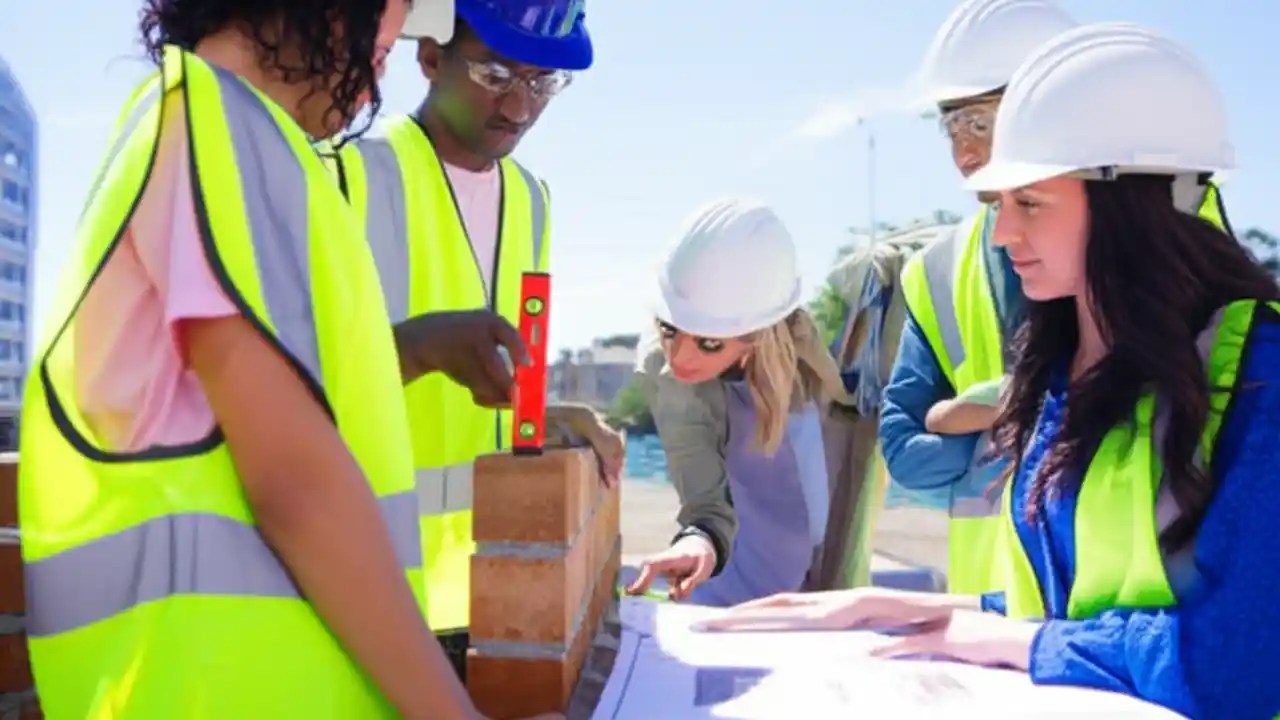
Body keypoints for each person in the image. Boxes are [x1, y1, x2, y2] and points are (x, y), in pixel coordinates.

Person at [701, 23, 1280, 719]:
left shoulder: (1260, 379)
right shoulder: (1070, 369)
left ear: (1136, 206)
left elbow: (1235, 665)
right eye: (998, 205)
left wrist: (1021, 643)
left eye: (1029, 202)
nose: (1002, 234)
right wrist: (917, 610)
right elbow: (1074, 603)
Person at [17, 1, 554, 718]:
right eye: (388, 31)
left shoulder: (225, 133)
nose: (378, 75)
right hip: (212, 691)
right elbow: (297, 483)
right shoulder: (212, 125)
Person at [884, 0, 1234, 596]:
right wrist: (1022, 413)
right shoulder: (934, 273)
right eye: (951, 124)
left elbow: (1169, 392)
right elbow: (906, 449)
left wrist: (983, 411)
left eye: (981, 121)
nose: (964, 151)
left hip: (1146, 615)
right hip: (995, 605)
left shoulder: (1183, 232)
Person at [327, 0, 621, 673]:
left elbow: (485, 398)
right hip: (364, 601)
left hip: (494, 606)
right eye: (496, 74)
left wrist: (543, 414)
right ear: (429, 57)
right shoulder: (347, 177)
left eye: (543, 82)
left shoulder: (533, 200)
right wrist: (419, 348)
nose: (520, 107)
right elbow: (285, 384)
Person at [623, 199, 851, 605]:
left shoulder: (794, 338)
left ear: (758, 332)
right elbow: (698, 480)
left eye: (709, 342)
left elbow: (840, 399)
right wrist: (700, 536)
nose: (681, 357)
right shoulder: (669, 373)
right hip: (732, 558)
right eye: (669, 329)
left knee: (813, 532)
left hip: (796, 532)